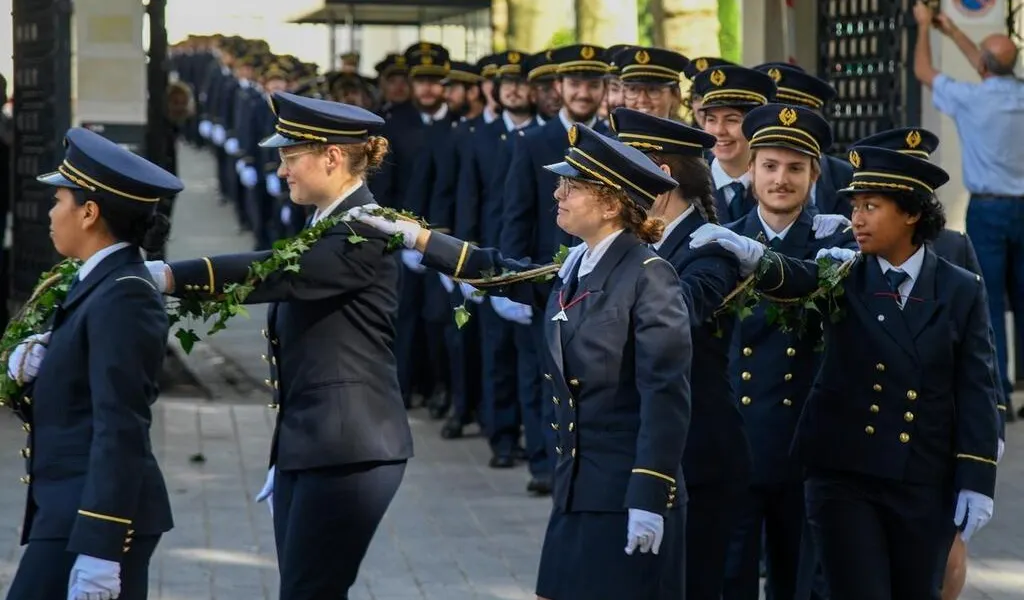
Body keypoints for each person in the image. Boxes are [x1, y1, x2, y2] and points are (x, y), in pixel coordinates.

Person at [353, 123, 691, 600]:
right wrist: (420, 238)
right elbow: (503, 271)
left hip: (624, 492)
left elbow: (665, 393)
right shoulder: (582, 264)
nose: (558, 194)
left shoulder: (648, 276)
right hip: (579, 486)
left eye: (572, 186)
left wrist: (650, 493)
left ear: (611, 205)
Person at [691, 145, 1001, 599]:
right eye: (855, 207)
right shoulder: (842, 271)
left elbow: (975, 386)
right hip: (845, 475)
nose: (857, 219)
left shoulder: (959, 288)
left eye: (871, 207)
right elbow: (797, 278)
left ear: (912, 213)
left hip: (921, 475)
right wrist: (758, 257)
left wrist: (977, 477)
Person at [146, 91, 413, 599]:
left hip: (348, 449)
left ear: (332, 157)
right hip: (313, 444)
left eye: (291, 157)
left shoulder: (365, 231)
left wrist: (169, 276)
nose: (282, 169)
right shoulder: (327, 222)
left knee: (310, 591)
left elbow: (272, 272)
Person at [4, 127, 181, 600]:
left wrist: (101, 548)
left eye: (58, 200)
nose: (50, 212)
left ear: (89, 212)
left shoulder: (124, 296)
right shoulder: (100, 282)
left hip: (94, 517)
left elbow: (121, 425)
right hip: (69, 508)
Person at [610, 106, 752, 600]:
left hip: (699, 454)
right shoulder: (636, 245)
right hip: (649, 448)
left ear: (659, 175)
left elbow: (676, 313)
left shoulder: (709, 248)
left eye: (621, 173)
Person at [913, 1, 1024, 423]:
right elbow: (989, 63)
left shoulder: (972, 99)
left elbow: (924, 71)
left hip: (989, 211)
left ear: (982, 65)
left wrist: (924, 28)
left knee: (988, 300)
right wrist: (952, 31)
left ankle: (1000, 395)